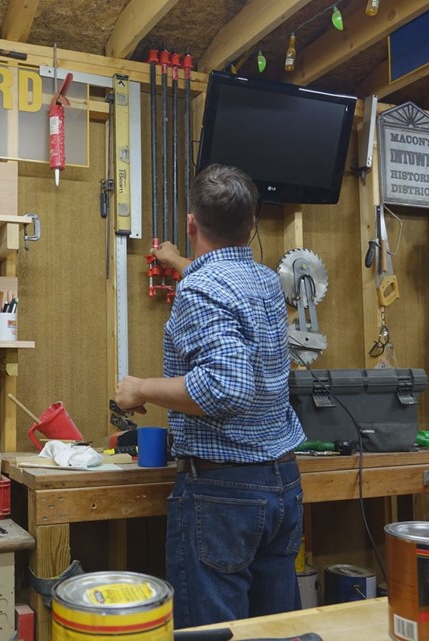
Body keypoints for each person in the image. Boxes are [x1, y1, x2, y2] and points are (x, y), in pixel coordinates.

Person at [115, 163, 307, 629]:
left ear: (191, 223)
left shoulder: (201, 290)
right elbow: (222, 281)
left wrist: (139, 388)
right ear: (253, 225)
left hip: (225, 495)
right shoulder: (263, 280)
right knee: (276, 632)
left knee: (213, 632)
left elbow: (225, 388)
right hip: (281, 484)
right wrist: (179, 262)